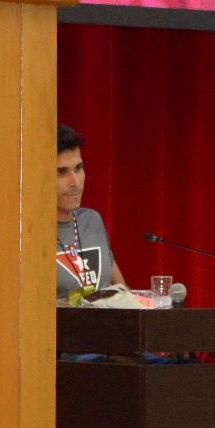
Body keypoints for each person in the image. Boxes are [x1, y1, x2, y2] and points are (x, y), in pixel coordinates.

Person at [56, 123, 126, 300]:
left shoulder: (91, 220)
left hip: (105, 318)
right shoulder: (28, 235)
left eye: (78, 168)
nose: (75, 182)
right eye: (62, 172)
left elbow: (122, 291)